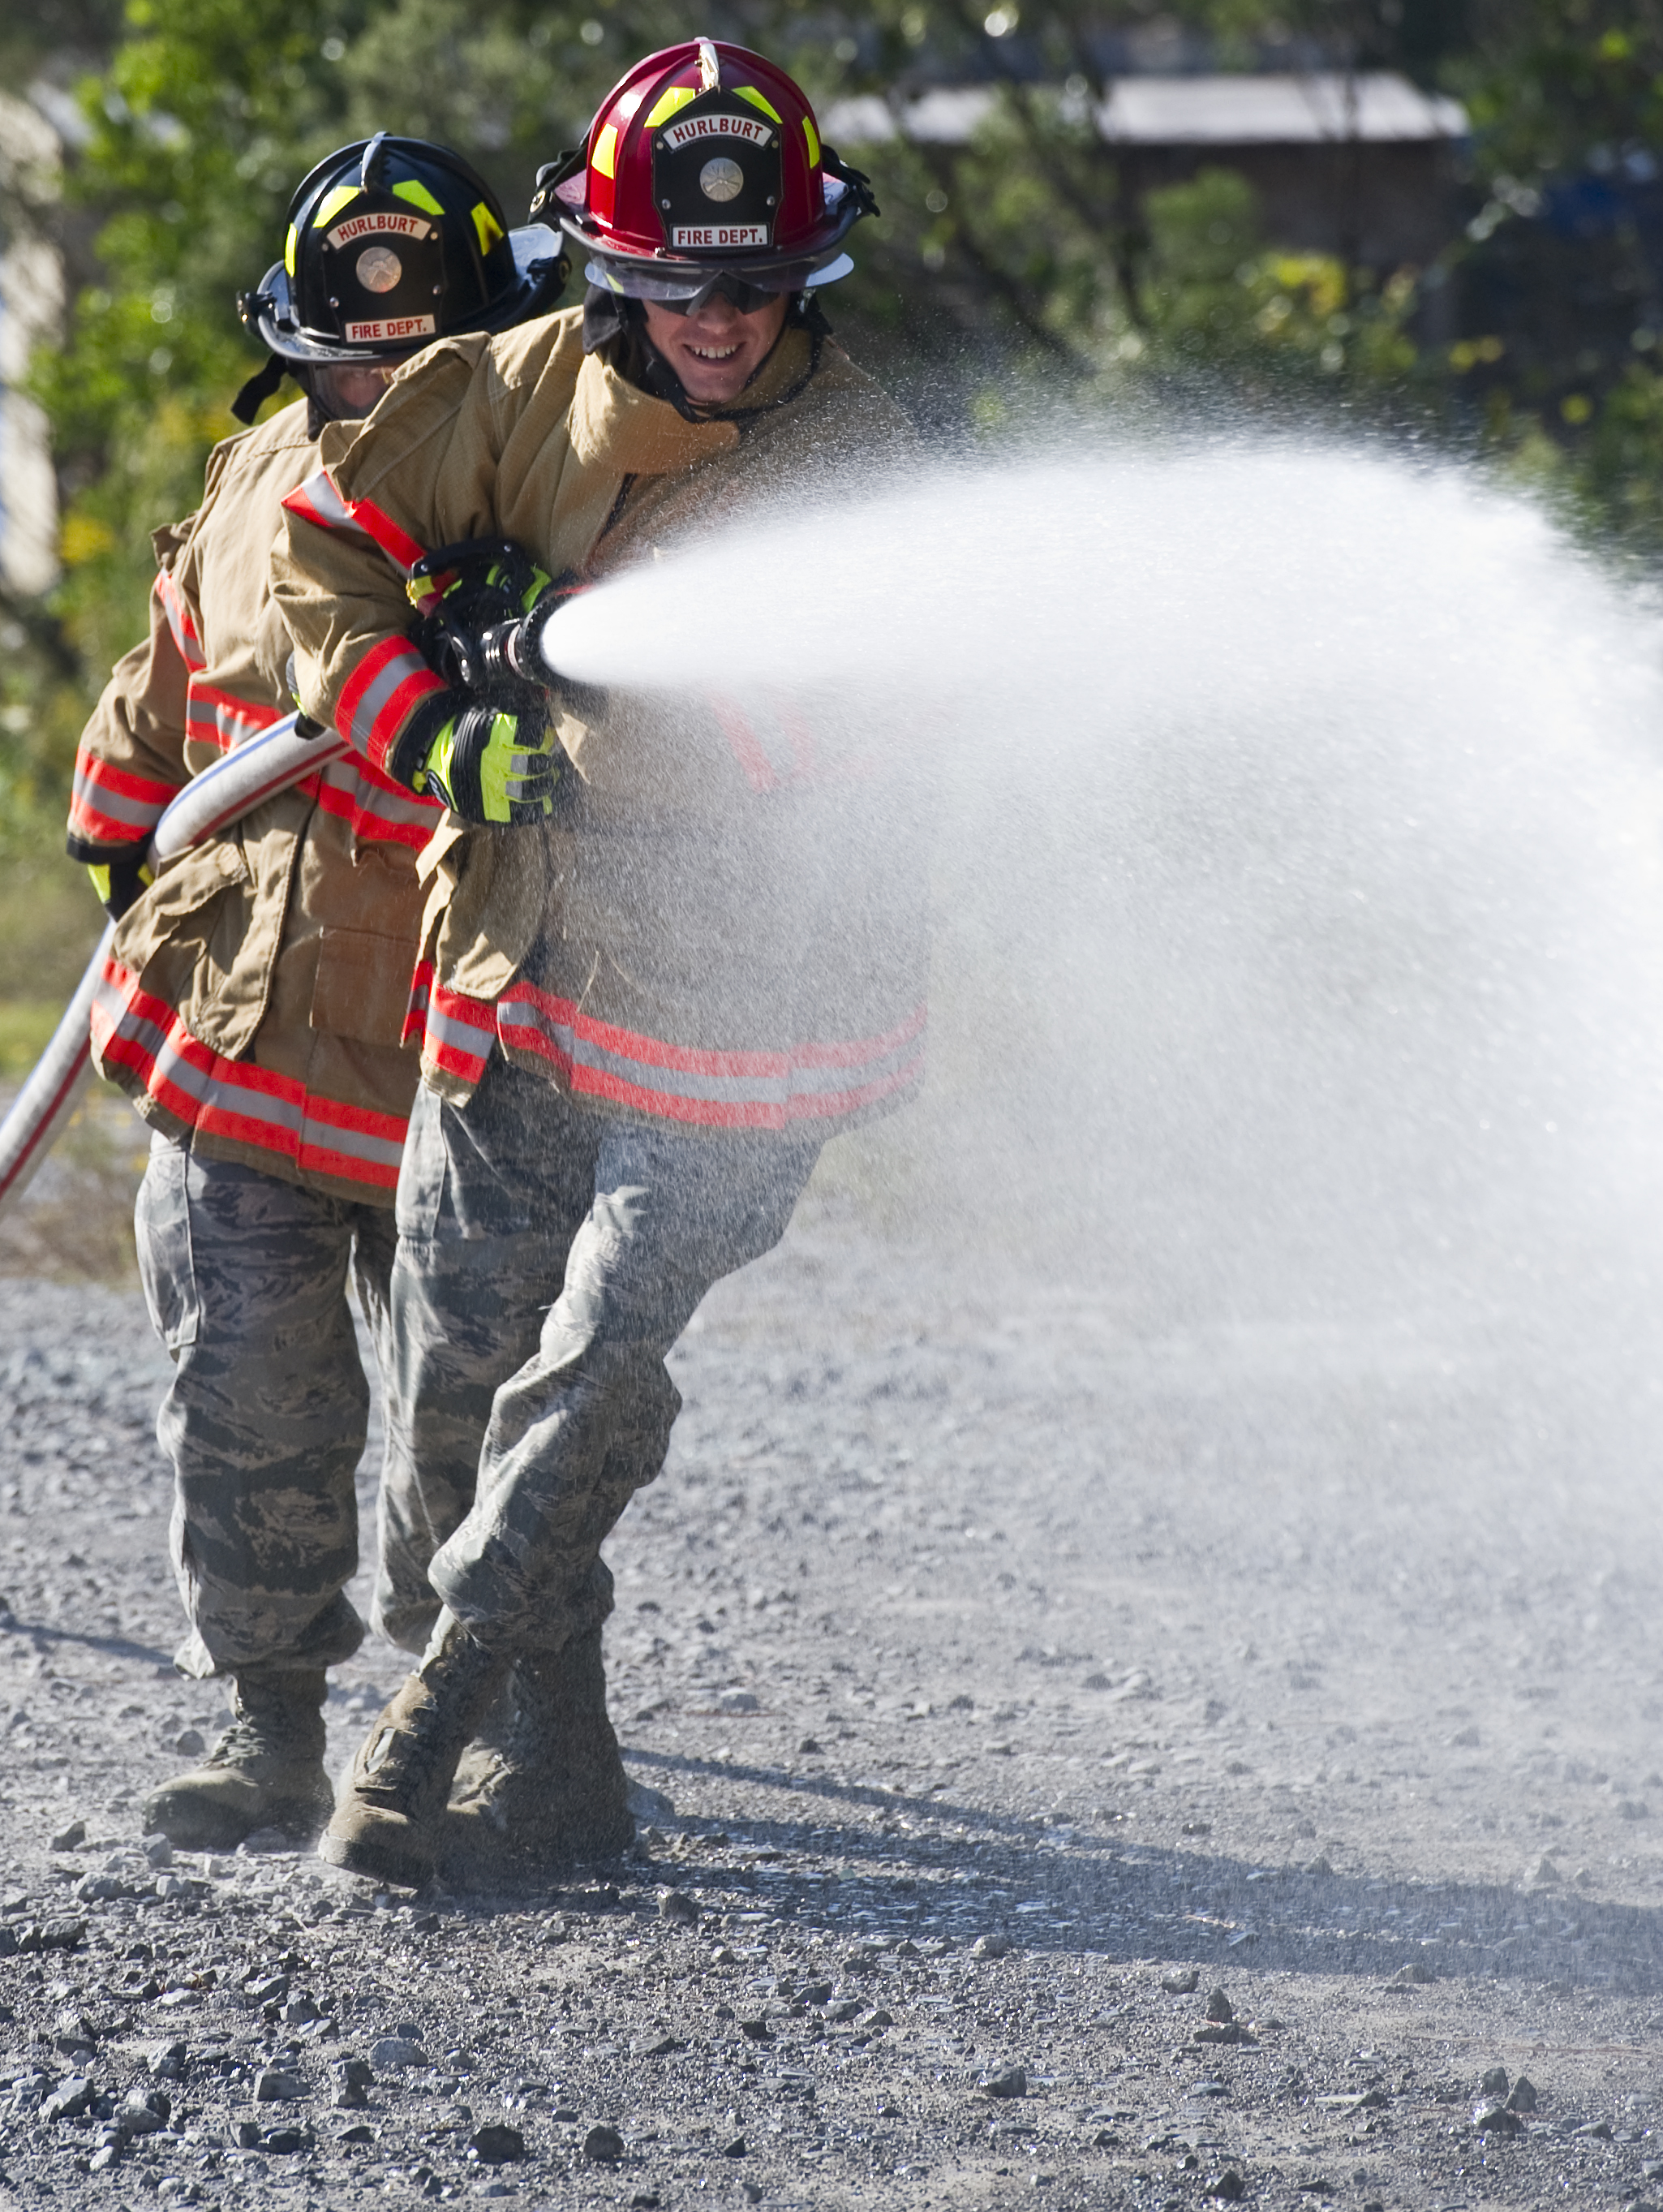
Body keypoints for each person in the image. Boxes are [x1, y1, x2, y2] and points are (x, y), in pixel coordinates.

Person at [270, 37, 930, 1890]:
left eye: (753, 284)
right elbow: (332, 555)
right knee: (453, 1379)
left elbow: (841, 739)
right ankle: (558, 1764)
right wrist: (435, 724)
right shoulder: (501, 389)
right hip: (525, 948)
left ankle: (443, 1702)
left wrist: (559, 655)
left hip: (753, 981)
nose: (716, 321)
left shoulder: (853, 461)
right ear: (602, 266)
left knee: (594, 1349)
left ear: (800, 273)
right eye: (670, 282)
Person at [65, 136, 569, 1849]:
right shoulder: (244, 483)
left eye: (414, 352)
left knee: (475, 1433)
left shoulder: (539, 498)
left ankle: (475, 1735)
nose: (371, 380)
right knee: (243, 1409)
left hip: (455, 1062)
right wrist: (118, 838)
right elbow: (158, 700)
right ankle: (270, 1729)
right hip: (234, 1046)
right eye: (339, 350)